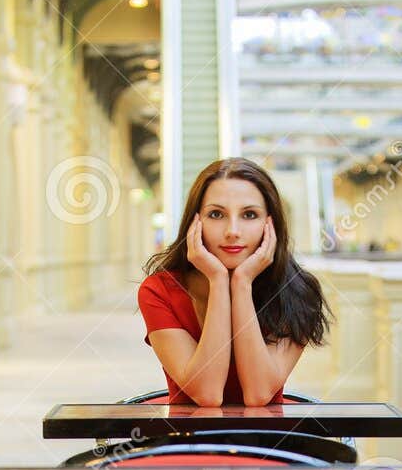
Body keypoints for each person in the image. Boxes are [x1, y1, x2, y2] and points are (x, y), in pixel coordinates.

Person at [137, 158, 331, 405]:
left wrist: (241, 284)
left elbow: (258, 394)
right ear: (195, 222)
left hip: (268, 441)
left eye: (249, 214)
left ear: (270, 224)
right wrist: (218, 280)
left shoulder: (297, 291)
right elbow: (207, 393)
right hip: (186, 441)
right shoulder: (159, 291)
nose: (232, 231)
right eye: (216, 214)